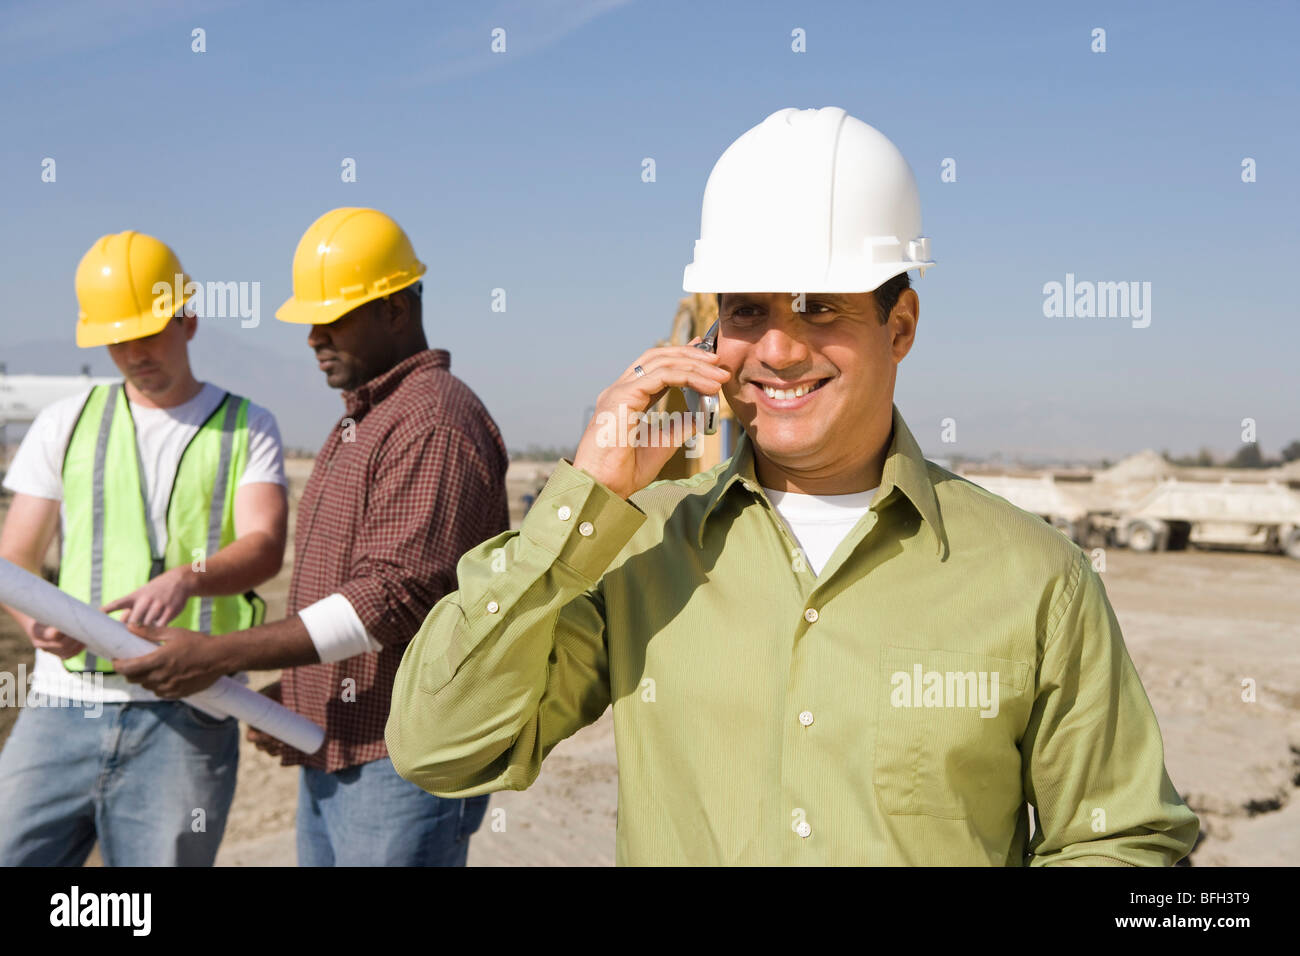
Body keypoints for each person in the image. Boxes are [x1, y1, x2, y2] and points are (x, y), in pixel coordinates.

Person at [385, 107, 1200, 865]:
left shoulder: (1034, 577)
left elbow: (1122, 839)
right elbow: (439, 747)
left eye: (818, 308)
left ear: (901, 326)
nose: (776, 349)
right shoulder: (638, 549)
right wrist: (582, 499)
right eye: (747, 310)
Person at [115, 208, 509, 866]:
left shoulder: (432, 421)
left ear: (395, 309)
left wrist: (215, 653)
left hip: (401, 763)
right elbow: (357, 595)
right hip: (345, 746)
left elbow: (390, 599)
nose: (314, 337)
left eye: (334, 317)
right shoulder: (371, 419)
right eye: (309, 320)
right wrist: (299, 696)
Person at [0, 230, 288, 865]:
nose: (132, 353)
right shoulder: (64, 423)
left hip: (189, 712)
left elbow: (265, 544)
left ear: (187, 318)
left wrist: (189, 578)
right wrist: (36, 622)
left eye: (147, 333)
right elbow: (14, 557)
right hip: (63, 703)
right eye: (116, 339)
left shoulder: (248, 424)